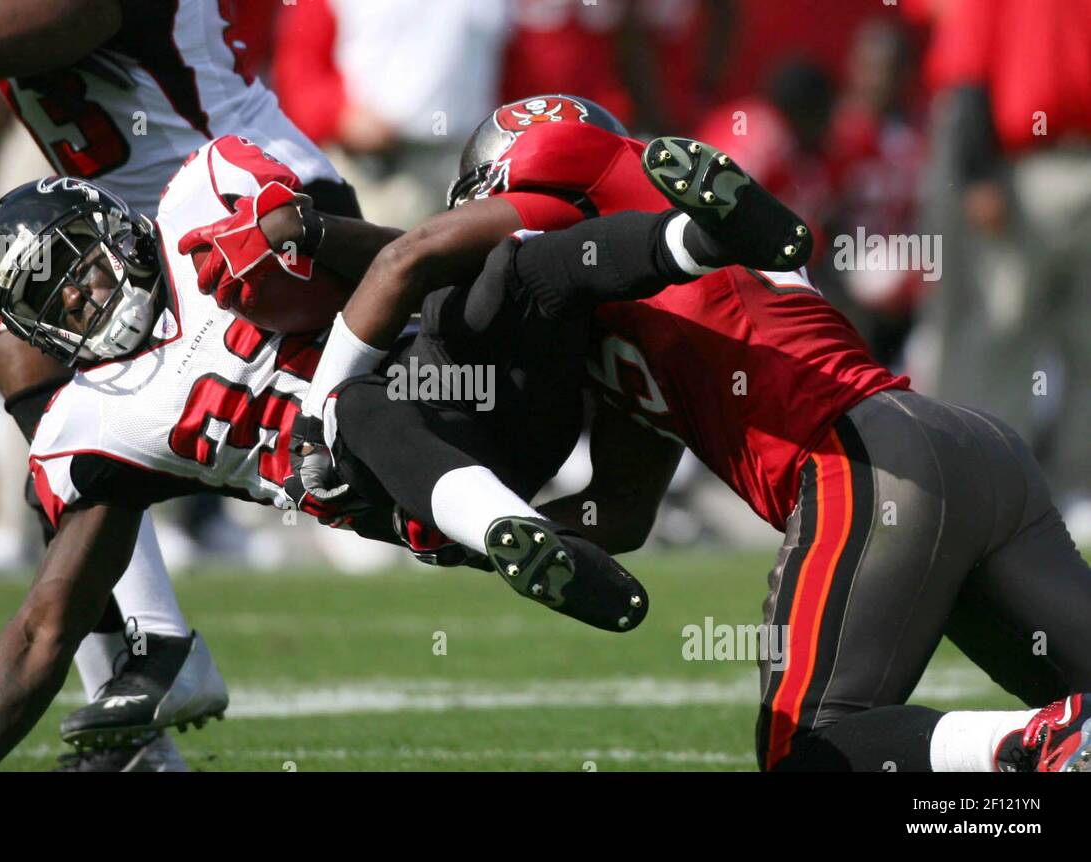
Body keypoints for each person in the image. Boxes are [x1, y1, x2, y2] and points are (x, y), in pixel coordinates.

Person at [297, 95, 1091, 772]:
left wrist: (322, 409)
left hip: (864, 465)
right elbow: (623, 511)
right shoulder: (622, 309)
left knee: (816, 749)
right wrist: (494, 538)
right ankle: (1046, 743)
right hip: (973, 449)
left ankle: (1027, 748)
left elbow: (410, 255)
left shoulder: (584, 181)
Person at [0, 133, 655, 770]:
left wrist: (308, 232)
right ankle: (520, 534)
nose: (71, 298)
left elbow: (410, 261)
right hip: (389, 485)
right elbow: (43, 629)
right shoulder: (96, 421)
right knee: (352, 411)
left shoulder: (202, 199)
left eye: (73, 267)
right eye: (45, 299)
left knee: (524, 272)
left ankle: (692, 236)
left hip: (467, 382)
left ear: (117, 235)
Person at [0, 0, 354, 769]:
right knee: (41, 391)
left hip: (256, 223)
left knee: (55, 401)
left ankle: (155, 651)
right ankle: (142, 706)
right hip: (158, 240)